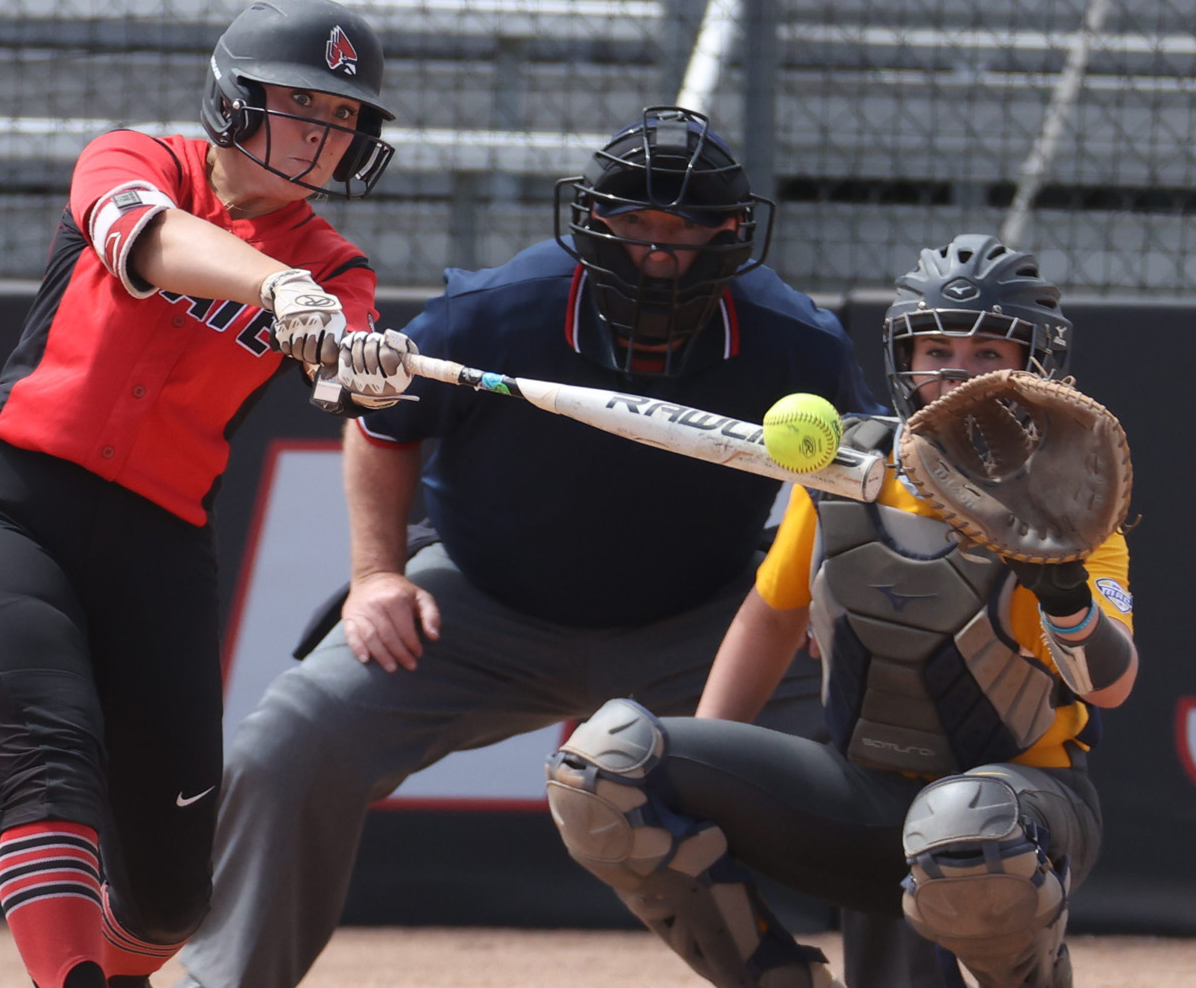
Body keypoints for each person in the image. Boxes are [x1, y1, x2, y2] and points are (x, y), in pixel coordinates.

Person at [170, 107, 879, 988]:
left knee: (889, 752)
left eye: (685, 229)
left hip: (701, 622)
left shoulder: (796, 339)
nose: (657, 250)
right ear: (591, 219)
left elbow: (854, 485)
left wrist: (828, 596)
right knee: (288, 744)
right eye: (635, 224)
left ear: (733, 234)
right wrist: (376, 575)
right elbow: (383, 425)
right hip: (481, 605)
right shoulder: (497, 310)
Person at [0, 0, 401, 988]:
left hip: (159, 553)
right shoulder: (138, 158)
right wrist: (271, 287)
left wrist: (372, 371)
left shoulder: (336, 266)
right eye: (303, 106)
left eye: (343, 118)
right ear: (235, 103)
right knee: (53, 750)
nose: (324, 136)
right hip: (13, 511)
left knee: (175, 894)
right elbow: (141, 237)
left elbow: (347, 378)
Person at [545, 234, 1138, 988]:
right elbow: (769, 618)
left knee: (961, 822)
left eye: (990, 351)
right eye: (936, 350)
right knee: (609, 764)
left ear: (1034, 365)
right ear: (905, 360)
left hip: (1024, 809)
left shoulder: (1068, 506)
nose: (957, 372)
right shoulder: (845, 472)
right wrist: (707, 769)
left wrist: (1061, 588)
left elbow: (1109, 686)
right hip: (860, 792)